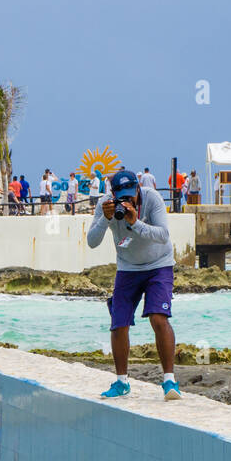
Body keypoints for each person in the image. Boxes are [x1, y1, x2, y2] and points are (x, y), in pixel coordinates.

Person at [87, 168, 181, 402]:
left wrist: (135, 222)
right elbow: (92, 242)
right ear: (114, 194)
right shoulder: (105, 204)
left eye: (132, 195)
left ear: (138, 189)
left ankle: (169, 380)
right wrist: (105, 219)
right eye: (123, 197)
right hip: (128, 267)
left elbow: (163, 235)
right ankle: (121, 382)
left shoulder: (152, 198)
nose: (128, 200)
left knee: (158, 317)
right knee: (119, 322)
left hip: (159, 264)